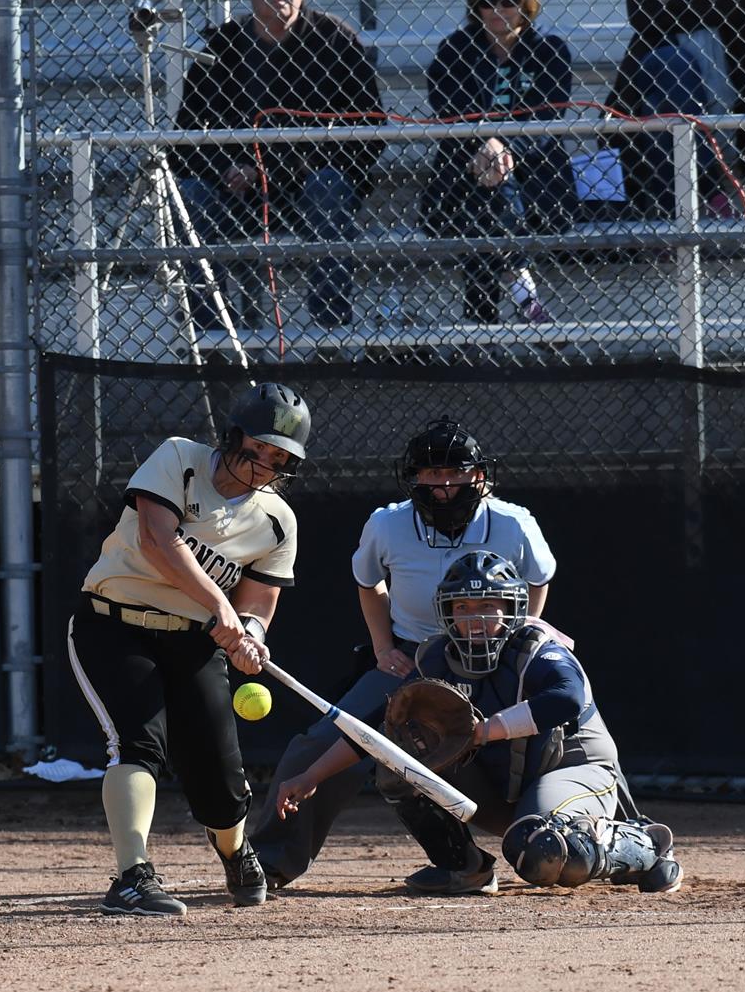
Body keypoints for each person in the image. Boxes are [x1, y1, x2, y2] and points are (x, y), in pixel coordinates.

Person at [249, 418, 554, 888]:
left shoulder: (513, 522)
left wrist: (518, 642)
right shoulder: (388, 523)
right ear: (413, 479)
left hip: (491, 655)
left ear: (480, 477)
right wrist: (383, 646)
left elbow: (538, 580)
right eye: (431, 474)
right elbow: (368, 583)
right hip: (414, 656)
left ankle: (610, 838)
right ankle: (271, 861)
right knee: (319, 744)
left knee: (563, 735)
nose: (444, 484)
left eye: (455, 472)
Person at [274, 550, 682, 895]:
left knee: (543, 853)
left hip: (571, 770)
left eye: (489, 606)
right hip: (502, 783)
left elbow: (567, 699)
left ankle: (645, 844)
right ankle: (464, 868)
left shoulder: (539, 650)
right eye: (463, 608)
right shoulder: (436, 658)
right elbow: (379, 725)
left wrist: (485, 730)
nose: (476, 619)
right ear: (447, 614)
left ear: (512, 608)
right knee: (397, 762)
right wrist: (312, 774)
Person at [67, 383, 311, 916]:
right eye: (261, 445)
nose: (267, 461)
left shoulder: (277, 521)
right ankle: (132, 876)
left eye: (281, 455)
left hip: (192, 642)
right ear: (233, 436)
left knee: (219, 775)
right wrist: (221, 608)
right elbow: (158, 541)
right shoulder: (179, 458)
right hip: (115, 623)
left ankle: (235, 850)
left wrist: (249, 636)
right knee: (137, 743)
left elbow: (259, 602)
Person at [174, 0, 386, 328]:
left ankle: (330, 334)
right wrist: (225, 168)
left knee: (328, 184)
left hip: (309, 190)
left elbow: (371, 130)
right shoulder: (223, 45)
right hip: (236, 194)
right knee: (190, 195)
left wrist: (279, 168)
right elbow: (186, 134)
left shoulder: (335, 39)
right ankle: (212, 337)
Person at [421, 0, 573, 325]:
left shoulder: (549, 49)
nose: (498, 10)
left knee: (487, 196)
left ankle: (481, 328)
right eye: (488, 3)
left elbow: (547, 120)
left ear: (526, 6)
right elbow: (448, 107)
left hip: (536, 176)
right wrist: (483, 145)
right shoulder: (455, 49)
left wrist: (501, 150)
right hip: (464, 171)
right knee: (487, 189)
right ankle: (525, 296)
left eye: (509, 2)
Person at [607, 0, 745, 218]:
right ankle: (708, 188)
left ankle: (669, 225)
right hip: (660, 69)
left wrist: (673, 7)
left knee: (660, 110)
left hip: (734, 76)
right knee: (671, 69)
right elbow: (645, 14)